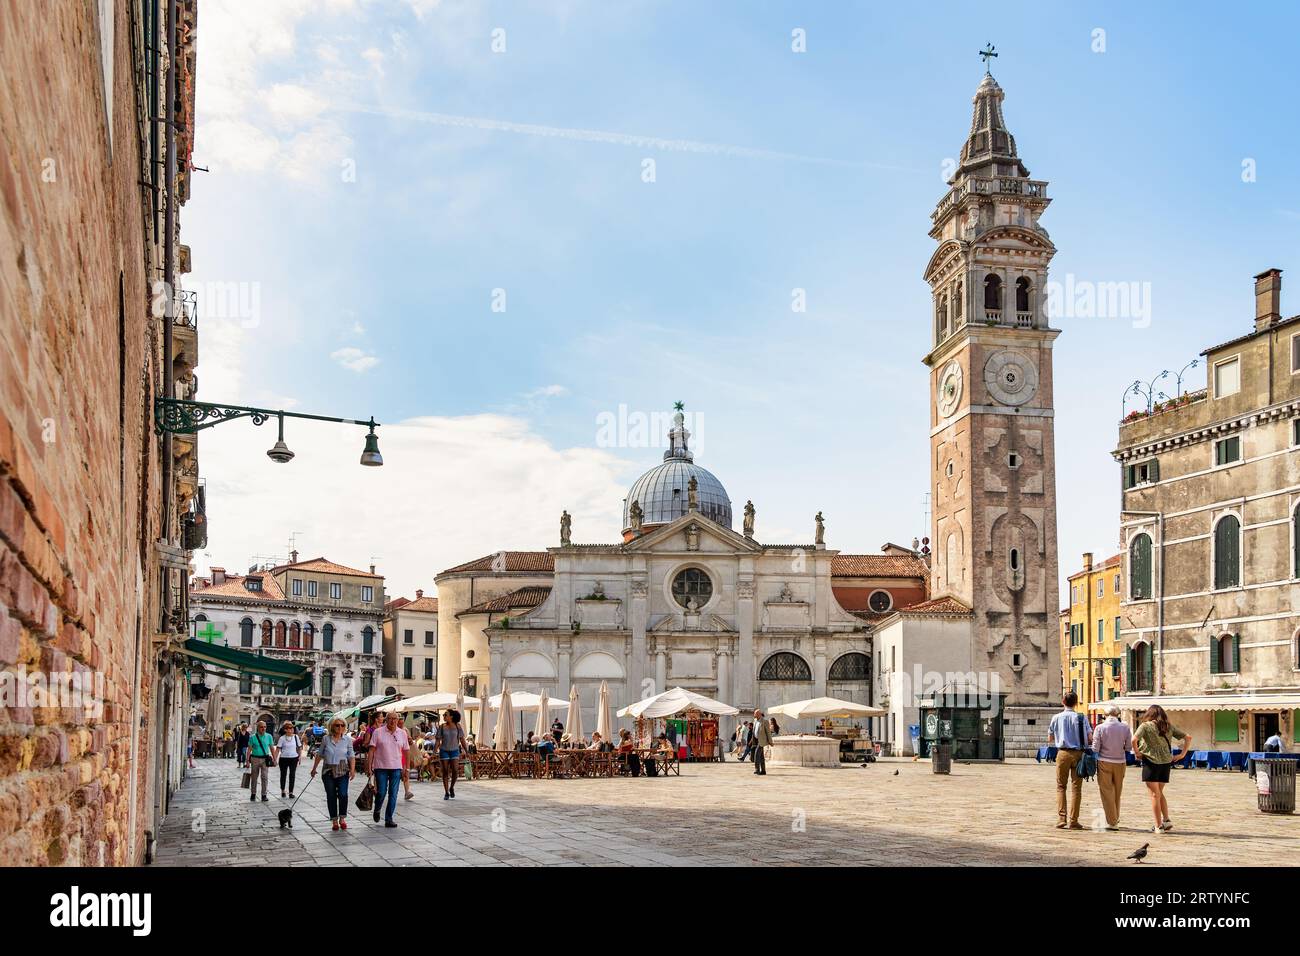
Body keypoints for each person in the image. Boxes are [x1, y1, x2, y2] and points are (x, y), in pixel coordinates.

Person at [1133, 704, 1189, 834]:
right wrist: (1182, 754)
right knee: (1159, 793)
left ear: (1149, 714)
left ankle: (1158, 826)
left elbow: (1134, 739)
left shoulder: (1145, 726)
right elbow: (1188, 737)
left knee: (1154, 795)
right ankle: (1167, 820)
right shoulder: (1168, 727)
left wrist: (1137, 753)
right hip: (1165, 763)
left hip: (1151, 762)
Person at [1047, 692, 1090, 830]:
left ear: (1063, 702)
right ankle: (1074, 820)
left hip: (1063, 753)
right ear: (1076, 703)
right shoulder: (1082, 718)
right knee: (1076, 789)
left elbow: (1050, 738)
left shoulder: (1056, 717)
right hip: (1079, 754)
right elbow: (1090, 737)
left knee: (1061, 786)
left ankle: (1061, 818)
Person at [310, 717, 356, 831]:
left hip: (343, 770)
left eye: (342, 725)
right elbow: (320, 754)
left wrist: (353, 770)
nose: (340, 727)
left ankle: (342, 818)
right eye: (337, 725)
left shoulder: (348, 740)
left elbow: (351, 756)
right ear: (332, 726)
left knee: (343, 794)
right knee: (331, 796)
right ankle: (334, 820)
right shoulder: (326, 739)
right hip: (328, 771)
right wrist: (314, 768)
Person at [366, 710, 410, 828]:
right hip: (381, 766)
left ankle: (389, 818)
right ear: (386, 720)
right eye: (390, 718)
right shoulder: (378, 732)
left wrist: (407, 768)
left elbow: (406, 751)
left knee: (393, 793)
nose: (392, 721)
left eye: (395, 719)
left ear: (398, 720)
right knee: (381, 792)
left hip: (396, 767)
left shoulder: (402, 733)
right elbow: (371, 750)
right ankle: (377, 808)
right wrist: (369, 766)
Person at [1092, 705, 1133, 831]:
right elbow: (1128, 747)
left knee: (1106, 791)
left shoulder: (1100, 728)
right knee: (1117, 791)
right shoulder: (1125, 728)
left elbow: (1095, 748)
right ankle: (1115, 817)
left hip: (1104, 761)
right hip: (1120, 762)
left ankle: (1112, 821)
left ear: (1105, 715)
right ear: (1118, 714)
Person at [434, 708, 467, 800]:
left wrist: (467, 751)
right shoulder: (442, 727)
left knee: (455, 771)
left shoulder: (458, 726)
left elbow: (462, 739)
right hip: (444, 750)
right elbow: (437, 740)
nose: (443, 716)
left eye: (445, 715)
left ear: (451, 716)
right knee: (445, 771)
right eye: (443, 715)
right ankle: (446, 792)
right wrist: (434, 751)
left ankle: (451, 787)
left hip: (455, 750)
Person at [246, 720, 276, 802]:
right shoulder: (252, 737)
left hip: (265, 759)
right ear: (258, 728)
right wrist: (247, 761)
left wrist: (274, 759)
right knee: (254, 777)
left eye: (265, 727)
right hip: (255, 758)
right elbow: (249, 750)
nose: (264, 728)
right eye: (261, 727)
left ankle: (264, 795)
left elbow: (272, 748)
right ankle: (253, 794)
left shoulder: (269, 736)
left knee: (264, 777)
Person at [277, 722, 302, 798]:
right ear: (285, 730)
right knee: (283, 775)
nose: (291, 730)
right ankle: (283, 791)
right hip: (283, 759)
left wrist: (299, 757)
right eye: (289, 728)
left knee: (292, 775)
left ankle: (291, 792)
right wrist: (275, 759)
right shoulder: (282, 738)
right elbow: (277, 749)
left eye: (292, 728)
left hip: (294, 758)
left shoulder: (295, 737)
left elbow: (299, 747)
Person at [752, 709, 772, 776]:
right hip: (756, 740)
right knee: (761, 757)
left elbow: (768, 732)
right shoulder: (755, 721)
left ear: (759, 714)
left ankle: (757, 769)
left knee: (756, 754)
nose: (754, 714)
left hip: (762, 741)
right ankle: (763, 771)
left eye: (755, 713)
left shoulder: (765, 721)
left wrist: (770, 741)